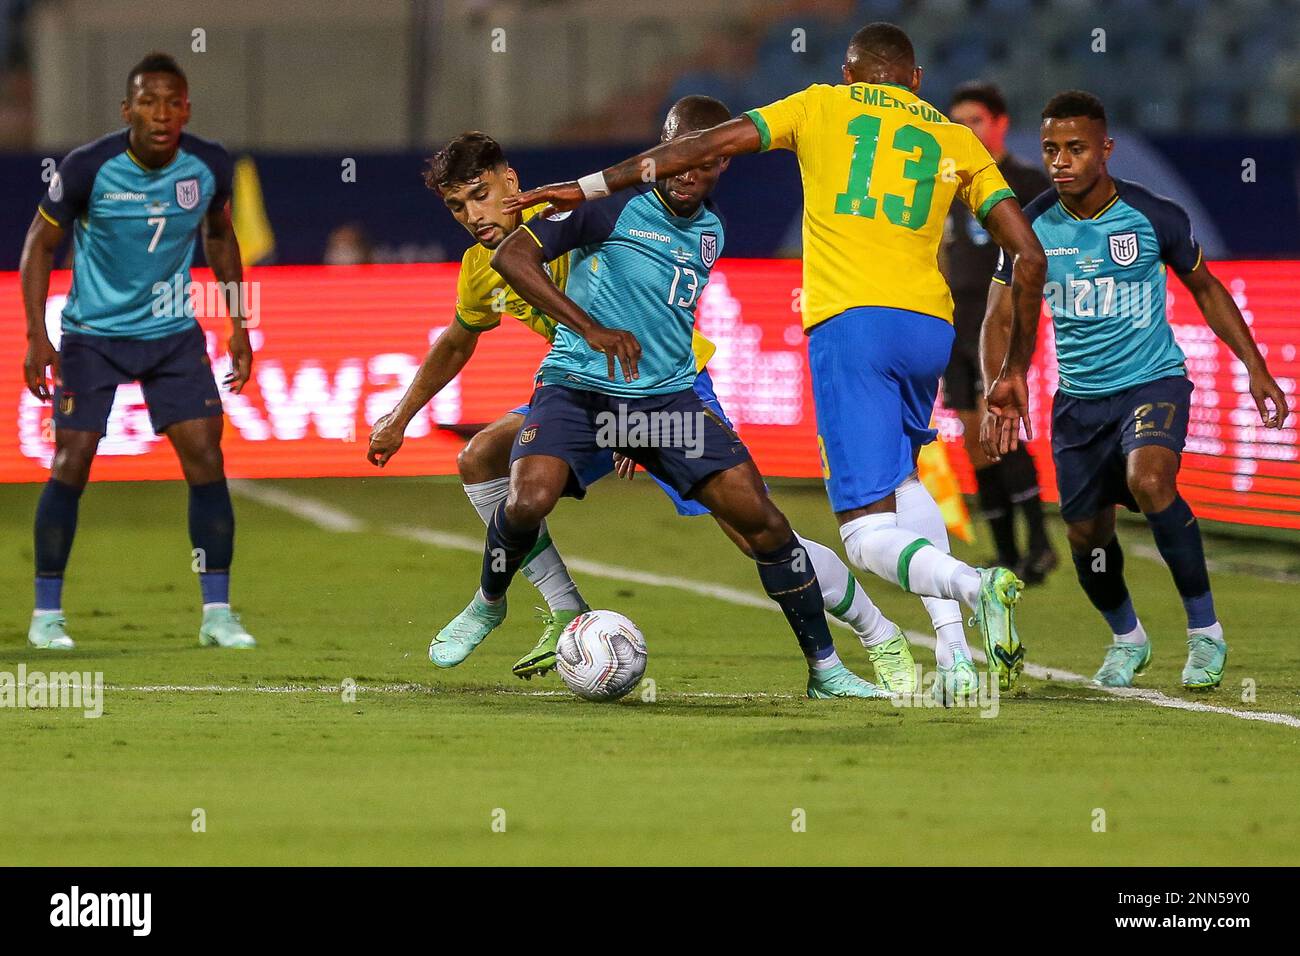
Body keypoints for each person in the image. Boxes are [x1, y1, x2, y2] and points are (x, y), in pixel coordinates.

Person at [505, 22, 1050, 697]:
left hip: (854, 325)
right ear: (913, 80)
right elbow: (1030, 256)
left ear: (853, 76)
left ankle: (975, 586)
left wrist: (589, 185)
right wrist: (1012, 371)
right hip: (931, 330)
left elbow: (702, 146)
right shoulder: (955, 137)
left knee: (866, 532)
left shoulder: (821, 103)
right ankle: (953, 651)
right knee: (905, 480)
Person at [371, 106, 909, 694]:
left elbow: (626, 229)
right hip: (584, 391)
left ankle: (876, 633)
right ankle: (556, 609)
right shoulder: (480, 270)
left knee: (754, 531)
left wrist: (638, 427)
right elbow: (456, 342)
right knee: (484, 460)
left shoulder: (577, 210)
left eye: (481, 195)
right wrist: (398, 418)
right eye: (457, 206)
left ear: (511, 180)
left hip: (668, 388)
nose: (474, 216)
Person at [981, 91, 1289, 690]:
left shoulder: (1152, 214)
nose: (1061, 161)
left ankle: (1205, 634)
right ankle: (1129, 639)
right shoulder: (1030, 227)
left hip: (1152, 381)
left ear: (1105, 149)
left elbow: (1206, 288)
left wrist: (1254, 365)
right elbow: (996, 317)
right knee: (1085, 535)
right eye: (1050, 150)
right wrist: (1001, 380)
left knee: (1151, 481)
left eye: (1075, 148)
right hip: (1079, 400)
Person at [21, 52, 255, 651]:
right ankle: (47, 614)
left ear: (186, 110)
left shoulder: (208, 164)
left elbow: (221, 235)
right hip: (92, 337)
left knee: (205, 457)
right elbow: (38, 247)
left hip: (171, 336)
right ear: (127, 110)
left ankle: (217, 613)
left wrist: (238, 323)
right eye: (147, 102)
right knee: (72, 461)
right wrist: (36, 336)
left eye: (172, 103)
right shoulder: (87, 168)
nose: (160, 114)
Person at [940, 81, 1055, 584]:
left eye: (976, 120)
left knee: (1000, 426)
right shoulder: (943, 182)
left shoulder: (1025, 183)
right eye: (958, 121)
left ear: (1000, 122)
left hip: (999, 316)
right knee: (974, 440)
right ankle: (1008, 555)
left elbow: (1044, 255)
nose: (966, 129)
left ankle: (1041, 543)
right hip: (953, 318)